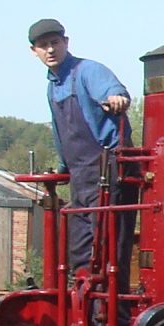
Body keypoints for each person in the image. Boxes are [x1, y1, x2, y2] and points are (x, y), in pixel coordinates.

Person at [29, 17, 134, 281]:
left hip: (107, 169)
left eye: (55, 43)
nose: (50, 50)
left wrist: (116, 98)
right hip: (79, 176)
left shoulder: (88, 71)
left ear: (66, 42)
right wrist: (62, 167)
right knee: (80, 251)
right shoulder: (52, 87)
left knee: (108, 248)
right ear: (35, 51)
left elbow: (113, 91)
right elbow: (58, 130)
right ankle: (84, 311)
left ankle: (112, 315)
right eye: (44, 45)